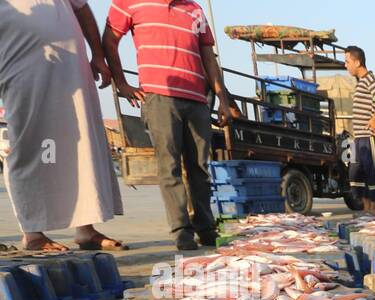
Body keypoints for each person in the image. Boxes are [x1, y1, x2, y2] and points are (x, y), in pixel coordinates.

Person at [104, 0, 239, 250]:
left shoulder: (195, 9)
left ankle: (205, 227)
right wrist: (121, 83)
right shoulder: (130, 3)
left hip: (197, 99)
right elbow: (110, 40)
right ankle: (181, 231)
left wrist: (221, 98)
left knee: (199, 167)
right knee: (170, 166)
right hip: (159, 97)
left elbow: (208, 55)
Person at [1, 0, 125, 252]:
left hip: (72, 70)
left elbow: (82, 10)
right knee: (29, 148)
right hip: (19, 70)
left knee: (80, 146)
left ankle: (86, 230)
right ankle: (33, 233)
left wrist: (98, 55)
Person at [337, 46, 375, 216]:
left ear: (357, 62)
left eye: (347, 62)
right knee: (355, 172)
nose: (346, 65)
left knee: (370, 172)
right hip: (358, 137)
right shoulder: (360, 83)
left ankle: (372, 210)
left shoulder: (370, 80)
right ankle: (365, 208)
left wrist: (374, 119)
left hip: (370, 136)